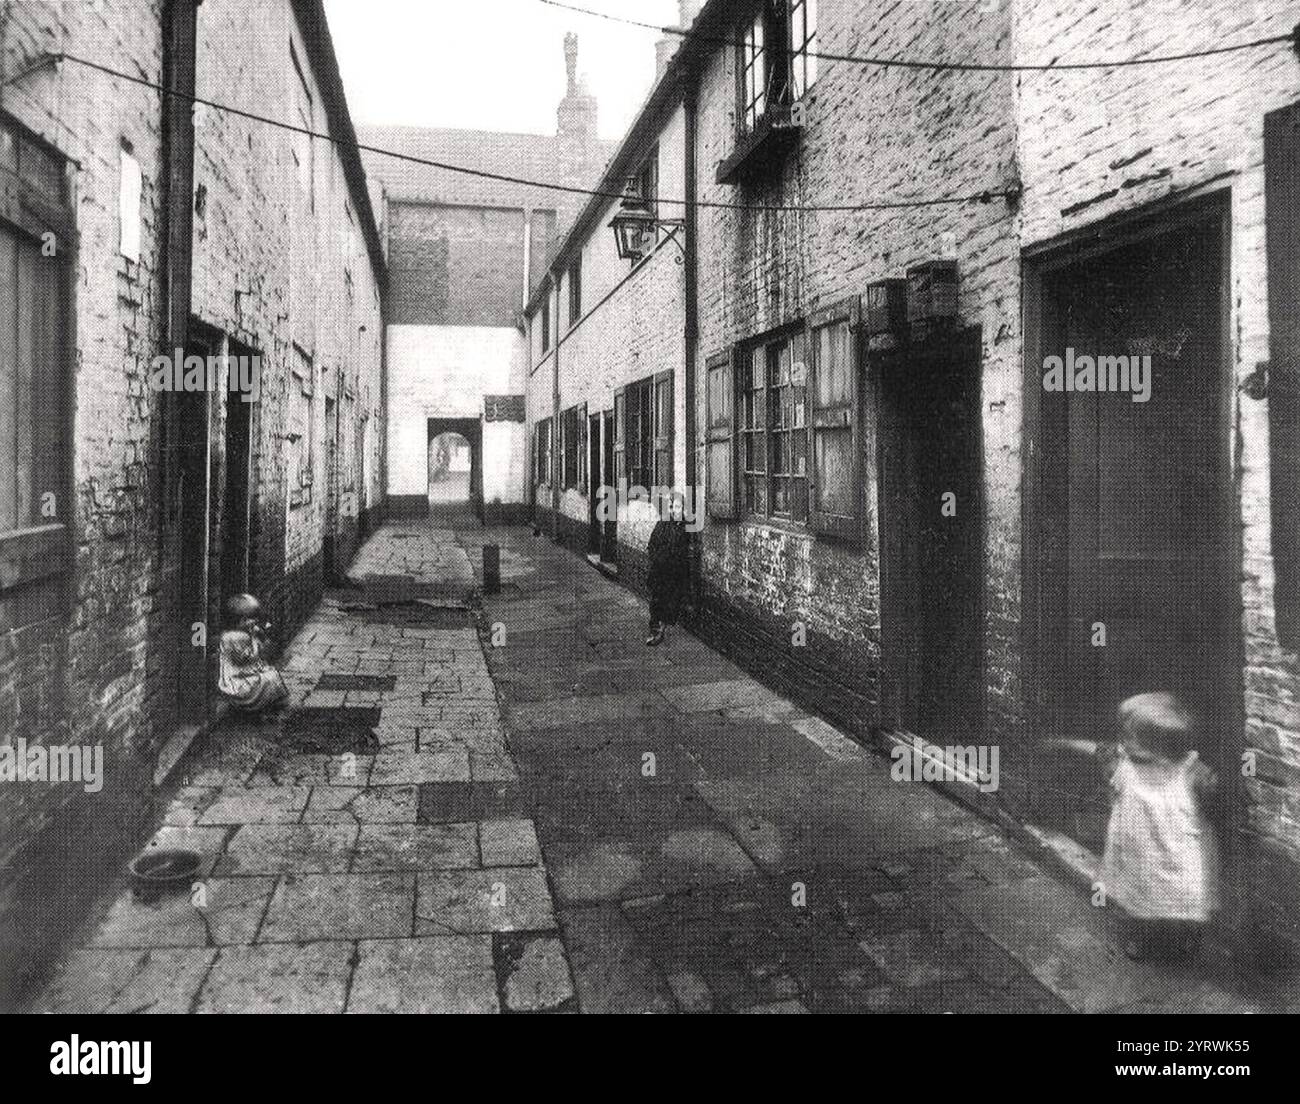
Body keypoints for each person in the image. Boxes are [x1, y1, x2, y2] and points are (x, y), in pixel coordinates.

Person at [1096, 692, 1220, 961]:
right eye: (1124, 734)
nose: (1124, 741)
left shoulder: (1190, 772)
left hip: (1178, 849)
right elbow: (1099, 752)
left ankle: (1189, 934)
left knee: (1186, 892)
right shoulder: (1123, 764)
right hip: (1139, 847)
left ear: (1159, 744)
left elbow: (1213, 797)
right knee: (1138, 892)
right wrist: (1065, 743)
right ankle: (1140, 934)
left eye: (1132, 736)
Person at [218, 594, 289, 717]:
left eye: (253, 619)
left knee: (271, 673)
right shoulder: (233, 637)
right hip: (237, 678)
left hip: (244, 671)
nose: (253, 622)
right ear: (238, 620)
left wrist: (259, 636)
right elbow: (242, 659)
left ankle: (266, 705)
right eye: (248, 619)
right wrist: (255, 641)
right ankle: (255, 707)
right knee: (268, 678)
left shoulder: (244, 633)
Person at [644, 492, 690, 646]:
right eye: (672, 507)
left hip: (675, 572)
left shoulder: (686, 527)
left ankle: (660, 631)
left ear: (683, 508)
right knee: (656, 600)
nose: (674, 510)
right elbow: (652, 544)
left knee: (669, 602)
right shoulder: (663, 523)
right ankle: (654, 628)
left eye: (677, 507)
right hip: (659, 570)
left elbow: (686, 551)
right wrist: (658, 559)